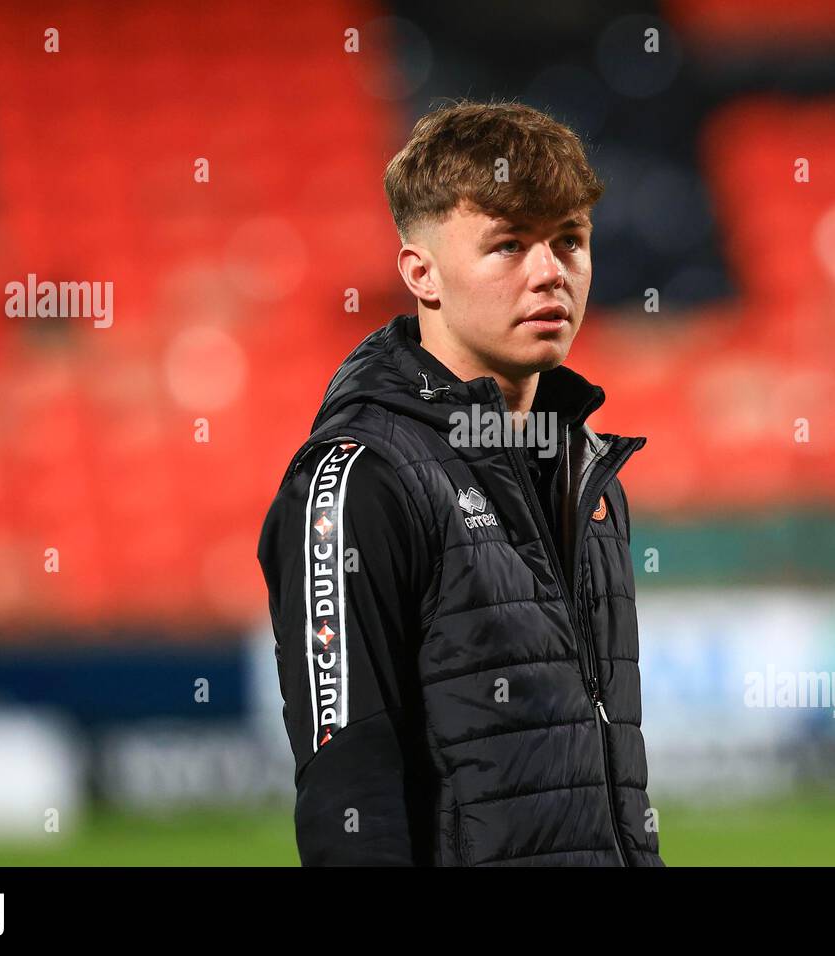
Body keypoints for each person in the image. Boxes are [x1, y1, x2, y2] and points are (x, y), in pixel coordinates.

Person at [257, 99, 663, 866]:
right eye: (508, 245)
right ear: (422, 273)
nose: (550, 273)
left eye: (569, 241)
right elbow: (351, 789)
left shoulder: (588, 472)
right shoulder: (358, 478)